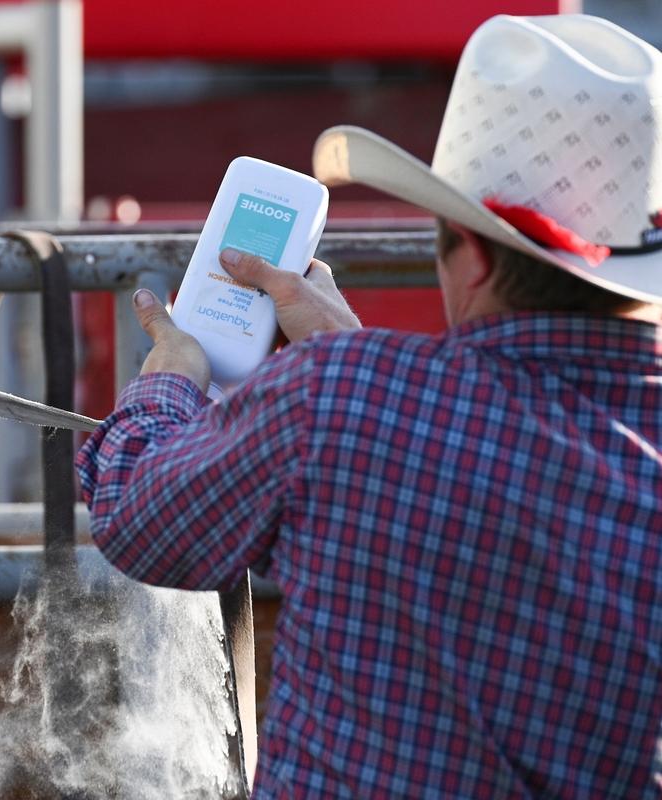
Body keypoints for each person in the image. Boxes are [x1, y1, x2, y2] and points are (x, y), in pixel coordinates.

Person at [76, 14, 661, 798]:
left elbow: (135, 515)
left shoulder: (336, 398)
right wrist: (344, 354)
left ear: (473, 254)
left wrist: (171, 379)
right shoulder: (346, 391)